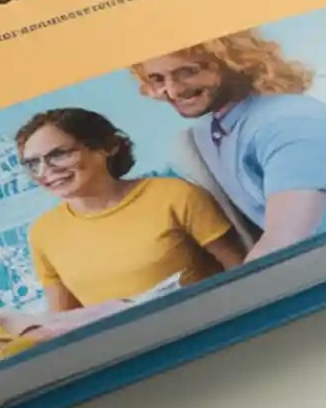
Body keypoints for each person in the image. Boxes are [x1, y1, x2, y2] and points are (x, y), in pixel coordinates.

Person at [131, 30, 326, 263]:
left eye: (188, 71)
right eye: (157, 79)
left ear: (232, 61)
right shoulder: (213, 132)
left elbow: (285, 241)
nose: (173, 90)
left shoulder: (286, 123)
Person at [16, 108, 245, 312]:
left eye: (58, 154)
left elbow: (239, 267)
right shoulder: (44, 233)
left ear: (107, 147)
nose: (45, 170)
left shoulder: (174, 195)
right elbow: (64, 321)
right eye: (33, 164)